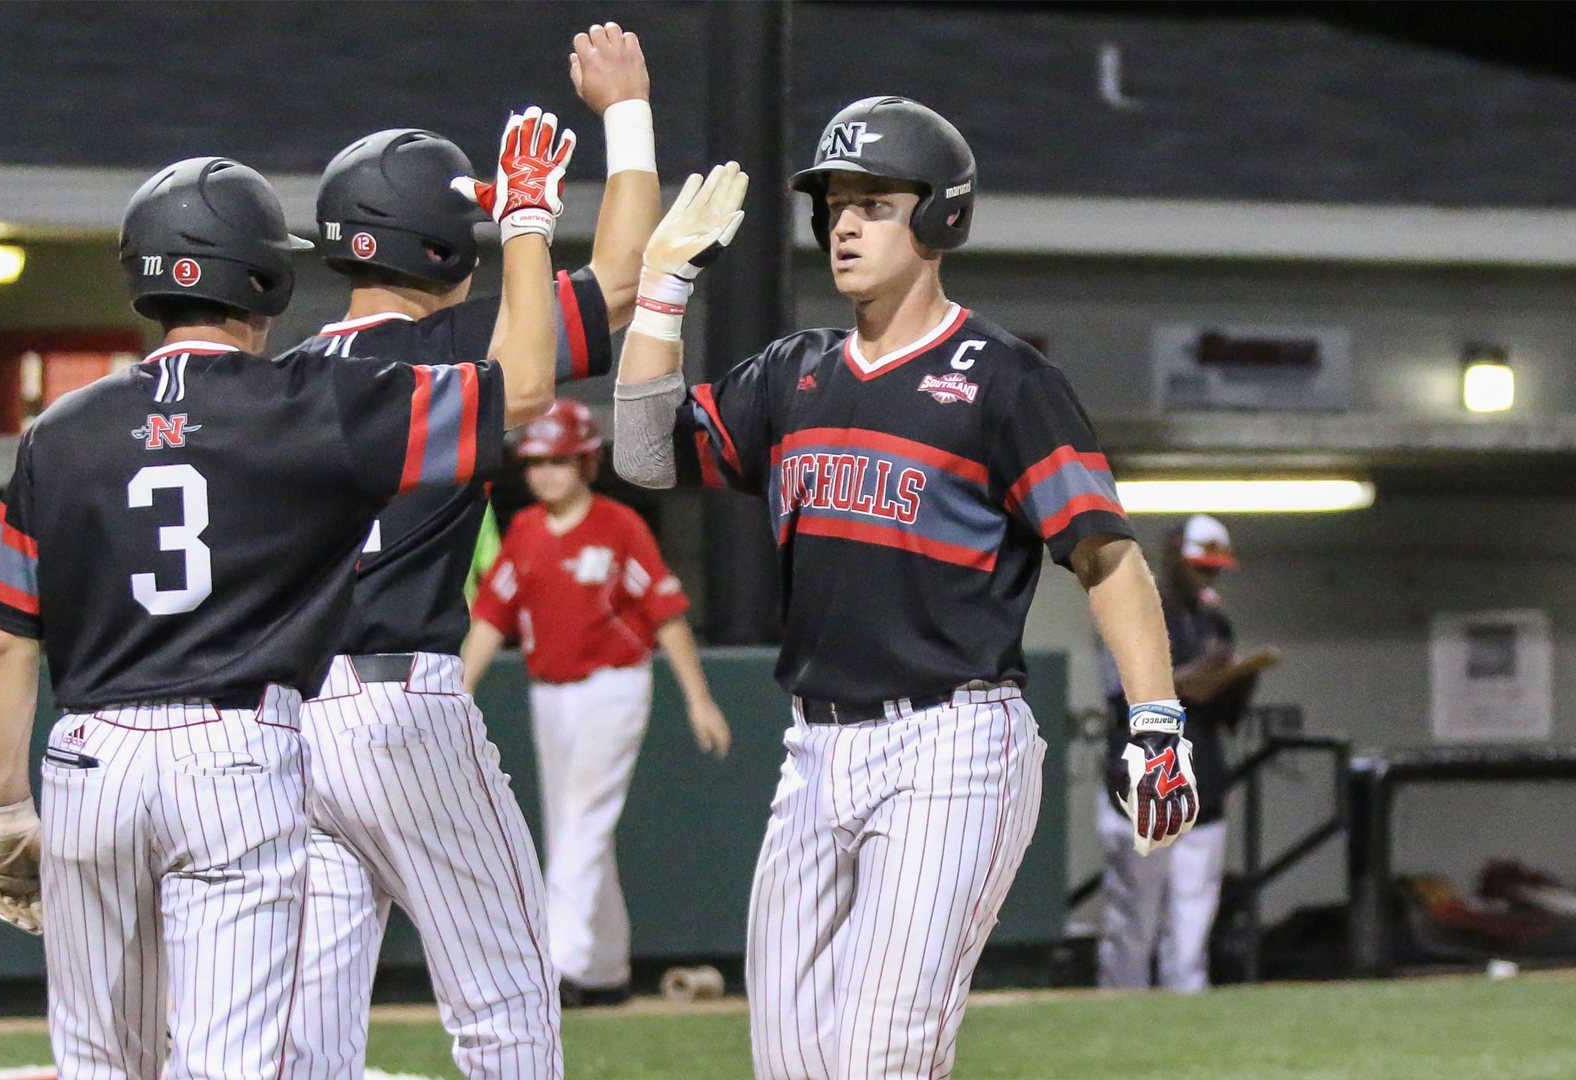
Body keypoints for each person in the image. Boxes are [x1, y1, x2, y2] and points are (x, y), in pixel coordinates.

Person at [608, 96, 1198, 1079]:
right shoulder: (790, 376)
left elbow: (1108, 554)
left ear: (939, 218)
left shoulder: (1005, 379)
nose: (842, 222)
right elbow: (641, 454)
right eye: (834, 203)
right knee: (791, 1061)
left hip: (951, 742)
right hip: (815, 747)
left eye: (874, 202)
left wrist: (1158, 723)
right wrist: (663, 292)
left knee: (882, 1053)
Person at [0, 140, 563, 1080]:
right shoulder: (307, 400)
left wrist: (6, 814)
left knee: (101, 1064)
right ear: (267, 278)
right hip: (231, 751)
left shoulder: (59, 431)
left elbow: (6, 644)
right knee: (235, 1062)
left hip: (89, 758)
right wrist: (527, 220)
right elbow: (524, 387)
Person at [284, 25, 660, 1080]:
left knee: (305, 1035)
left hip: (283, 722)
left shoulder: (275, 383)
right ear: (446, 245)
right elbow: (626, 282)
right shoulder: (464, 349)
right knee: (506, 1000)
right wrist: (623, 114)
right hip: (403, 708)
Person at [461, 398, 730, 1007]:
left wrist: (699, 699)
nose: (546, 474)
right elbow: (489, 619)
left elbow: (667, 614)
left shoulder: (617, 526)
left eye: (560, 460)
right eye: (537, 462)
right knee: (574, 829)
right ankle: (605, 969)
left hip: (613, 686)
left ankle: (560, 965)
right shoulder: (525, 530)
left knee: (581, 822)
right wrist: (455, 692)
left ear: (586, 463)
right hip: (548, 692)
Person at [1097, 514, 1282, 992]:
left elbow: (1221, 714)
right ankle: (1117, 1027)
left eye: (1215, 567)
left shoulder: (1213, 619)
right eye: (1200, 564)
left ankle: (1185, 1031)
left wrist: (1241, 677)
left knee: (1191, 929)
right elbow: (1133, 695)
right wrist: (1204, 674)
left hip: (1202, 780)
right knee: (1132, 926)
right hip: (1141, 777)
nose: (1209, 574)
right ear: (1171, 553)